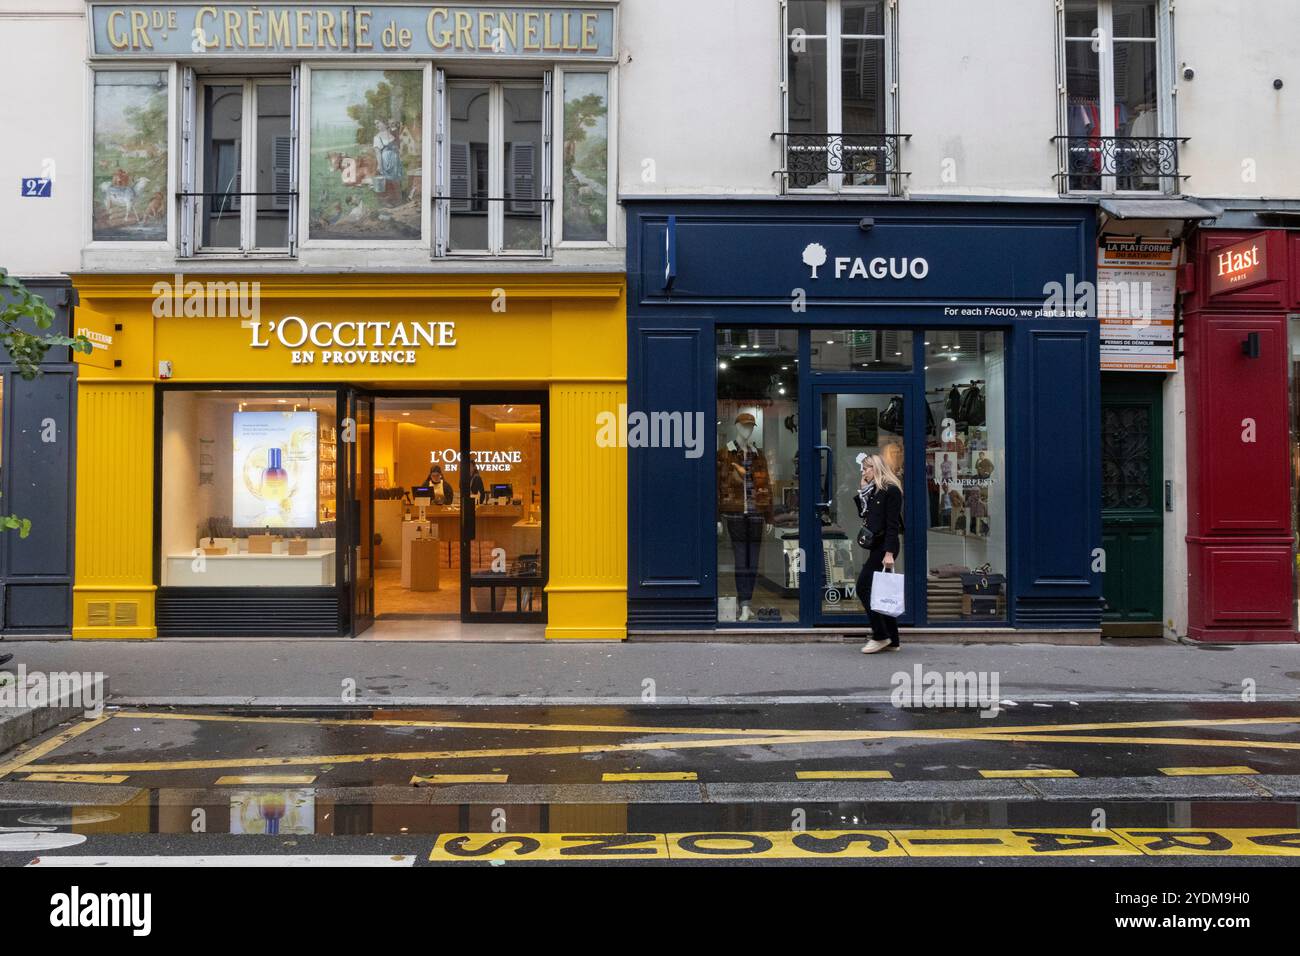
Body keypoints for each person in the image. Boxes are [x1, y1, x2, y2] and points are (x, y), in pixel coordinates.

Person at [855, 453, 903, 654]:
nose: (863, 471)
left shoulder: (891, 491)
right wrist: (863, 490)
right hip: (877, 545)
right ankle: (893, 640)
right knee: (881, 591)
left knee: (863, 587)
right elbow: (864, 515)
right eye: (863, 468)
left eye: (866, 468)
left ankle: (880, 635)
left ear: (876, 468)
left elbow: (893, 525)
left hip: (885, 546)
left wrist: (889, 553)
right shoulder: (874, 490)